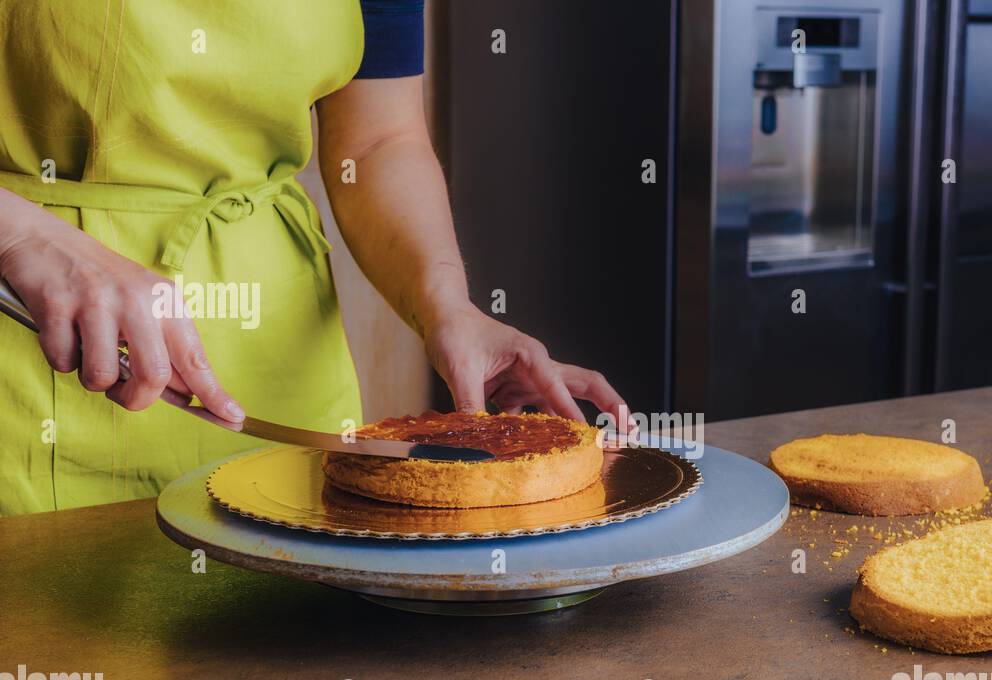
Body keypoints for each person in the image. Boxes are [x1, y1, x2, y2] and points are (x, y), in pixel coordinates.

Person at [0, 0, 628, 515]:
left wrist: (447, 307)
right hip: (22, 349)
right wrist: (23, 237)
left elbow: (380, 138)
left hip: (278, 368)